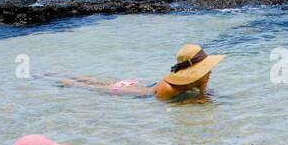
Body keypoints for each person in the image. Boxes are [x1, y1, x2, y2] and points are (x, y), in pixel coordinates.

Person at [60, 43, 225, 101]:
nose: (209, 71)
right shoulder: (168, 89)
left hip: (145, 86)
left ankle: (59, 74)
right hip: (140, 93)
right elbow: (159, 103)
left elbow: (203, 95)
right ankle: (60, 79)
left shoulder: (202, 77)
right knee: (92, 86)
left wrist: (203, 98)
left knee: (99, 81)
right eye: (205, 68)